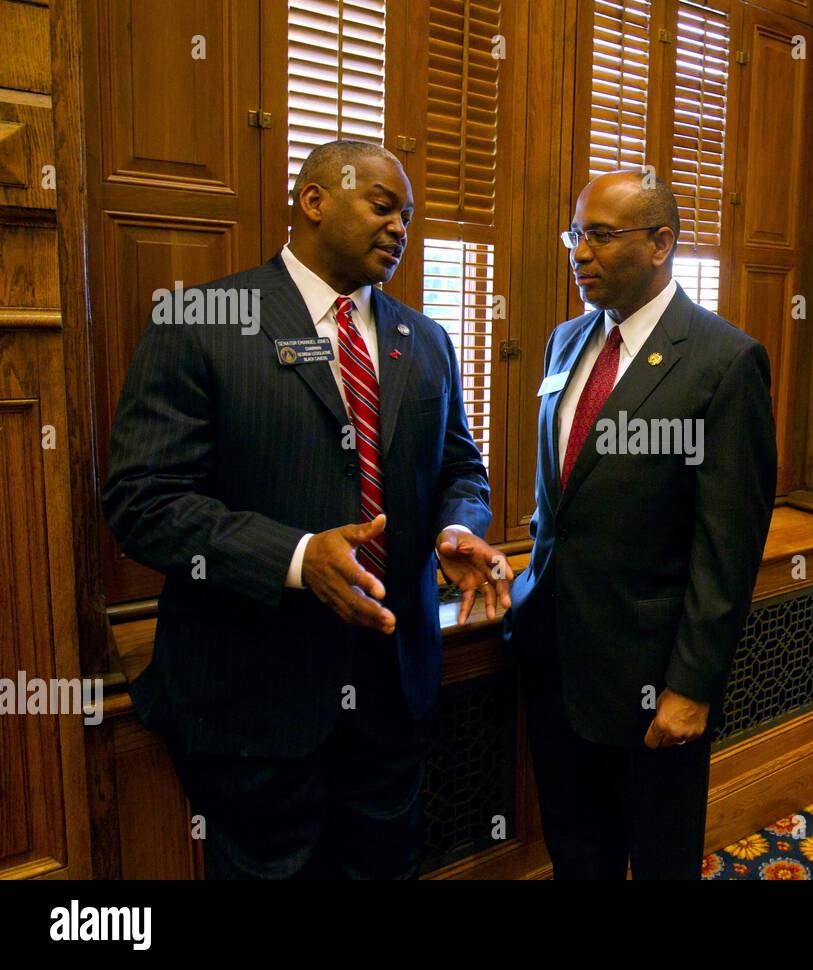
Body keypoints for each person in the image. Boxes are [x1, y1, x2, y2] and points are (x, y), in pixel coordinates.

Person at [102, 139, 513, 879]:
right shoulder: (201, 320)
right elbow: (142, 503)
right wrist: (295, 559)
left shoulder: (427, 341)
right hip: (252, 701)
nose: (400, 229)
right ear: (314, 200)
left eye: (409, 218)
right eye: (383, 206)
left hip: (393, 688)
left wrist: (456, 526)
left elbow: (461, 468)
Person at [505, 171, 777, 879]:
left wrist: (692, 686)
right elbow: (564, 489)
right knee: (576, 849)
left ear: (661, 244)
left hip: (653, 676)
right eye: (575, 234)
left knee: (659, 857)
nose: (578, 252)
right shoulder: (566, 343)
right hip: (557, 653)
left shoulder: (724, 361)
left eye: (599, 235)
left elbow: (729, 545)